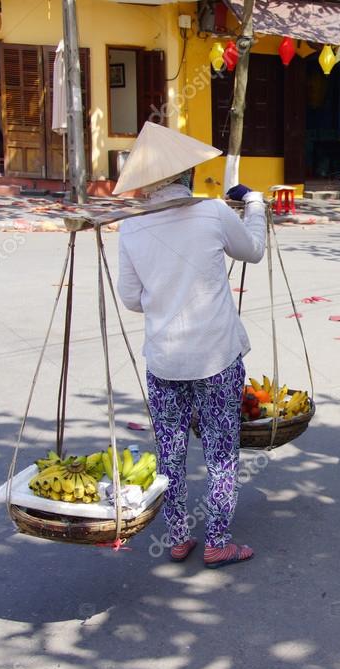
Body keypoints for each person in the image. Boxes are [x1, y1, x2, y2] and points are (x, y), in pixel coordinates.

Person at [115, 122, 266, 569]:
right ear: (185, 175)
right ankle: (218, 539)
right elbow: (253, 250)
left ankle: (178, 536)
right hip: (216, 357)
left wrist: (163, 296)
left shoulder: (131, 227)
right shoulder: (214, 212)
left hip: (164, 362)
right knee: (221, 450)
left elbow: (129, 298)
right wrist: (254, 204)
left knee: (171, 452)